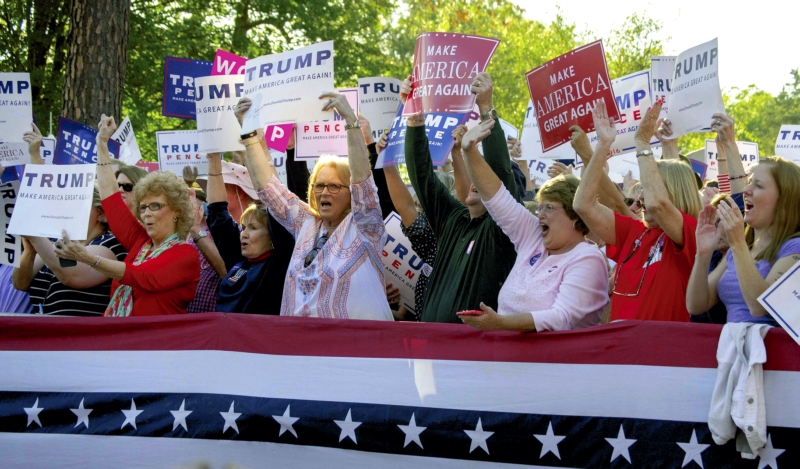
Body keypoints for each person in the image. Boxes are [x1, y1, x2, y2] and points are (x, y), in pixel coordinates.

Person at [238, 93, 393, 320]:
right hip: (299, 340)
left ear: (351, 192)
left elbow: (363, 182)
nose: (324, 192)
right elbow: (269, 189)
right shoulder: (306, 223)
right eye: (319, 186)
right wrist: (250, 135)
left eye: (334, 186)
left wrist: (351, 123)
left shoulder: (365, 227)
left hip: (353, 342)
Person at [455, 119, 608, 331]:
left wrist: (500, 323)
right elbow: (496, 197)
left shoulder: (587, 259)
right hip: (506, 349)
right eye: (540, 207)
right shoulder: (533, 235)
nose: (540, 214)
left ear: (575, 215)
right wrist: (469, 151)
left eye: (549, 208)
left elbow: (561, 318)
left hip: (554, 353)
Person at [53, 115, 199, 316]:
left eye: (155, 206)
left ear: (177, 211)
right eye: (143, 207)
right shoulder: (141, 242)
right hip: (117, 333)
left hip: (155, 337)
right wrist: (102, 144)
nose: (146, 213)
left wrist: (87, 258)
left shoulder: (186, 254)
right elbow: (111, 201)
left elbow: (143, 276)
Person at [574, 100, 703, 322]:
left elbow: (657, 204)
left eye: (650, 186)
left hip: (661, 344)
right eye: (642, 187)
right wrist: (603, 146)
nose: (641, 196)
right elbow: (582, 205)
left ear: (675, 192)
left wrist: (642, 142)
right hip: (620, 343)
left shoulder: (692, 232)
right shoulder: (635, 232)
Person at [405, 72, 518, 323]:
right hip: (431, 343)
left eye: (484, 178)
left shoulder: (502, 229)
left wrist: (486, 108)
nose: (477, 182)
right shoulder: (452, 217)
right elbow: (422, 176)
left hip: (471, 346)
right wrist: (415, 118)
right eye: (475, 176)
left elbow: (501, 171)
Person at [12, 124, 127, 316]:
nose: (70, 208)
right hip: (44, 331)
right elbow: (19, 283)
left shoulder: (110, 243)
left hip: (82, 333)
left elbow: (71, 275)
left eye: (79, 203)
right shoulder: (55, 243)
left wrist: (33, 231)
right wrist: (30, 251)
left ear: (101, 213)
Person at [203, 123, 307, 314]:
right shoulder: (238, 260)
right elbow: (217, 213)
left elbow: (277, 202)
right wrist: (213, 159)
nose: (244, 233)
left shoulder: (281, 264)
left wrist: (251, 152)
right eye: (243, 227)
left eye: (253, 228)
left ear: (272, 235)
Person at [687, 157, 800, 325]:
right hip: (736, 340)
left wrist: (738, 243)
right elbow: (696, 305)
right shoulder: (738, 249)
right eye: (748, 183)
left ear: (784, 199)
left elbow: (759, 307)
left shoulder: (794, 247)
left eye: (758, 185)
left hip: (767, 342)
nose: (746, 190)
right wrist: (703, 253)